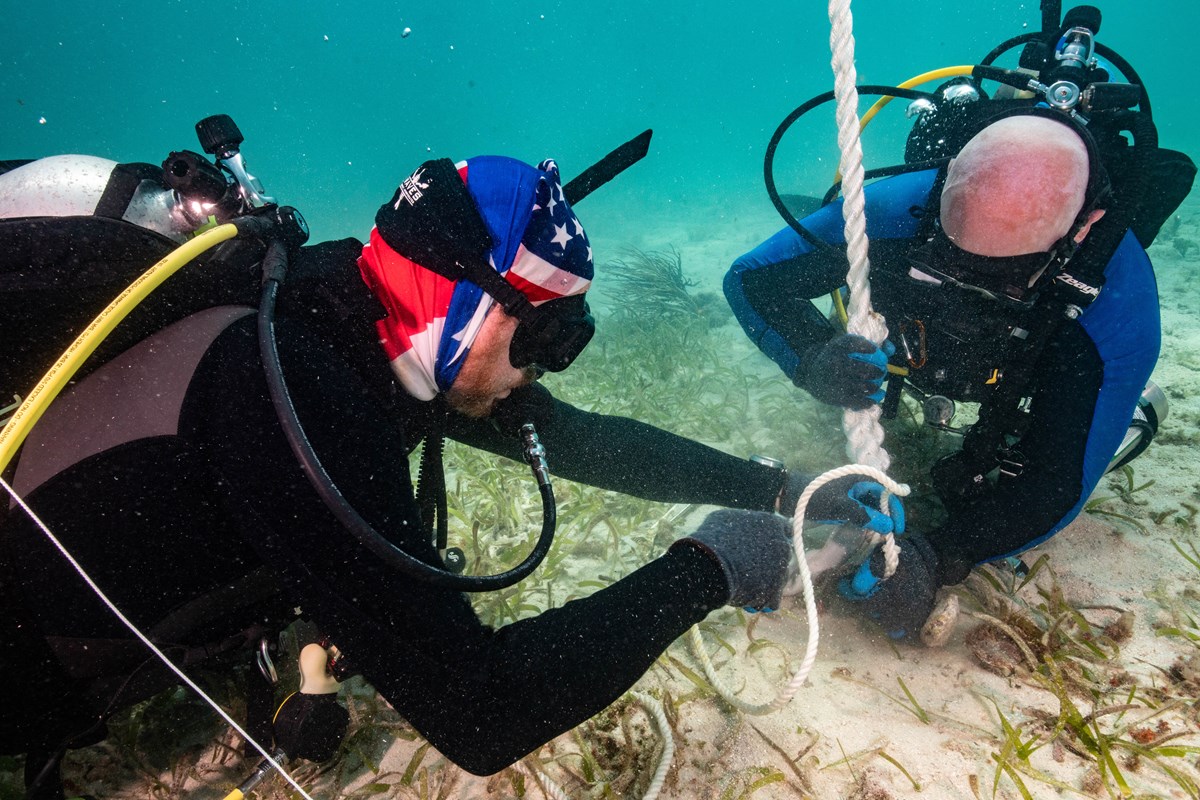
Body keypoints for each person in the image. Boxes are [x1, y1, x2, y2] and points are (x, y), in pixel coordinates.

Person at [0, 151, 903, 794]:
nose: (548, 367)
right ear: (455, 296)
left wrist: (777, 490)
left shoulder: (355, 318)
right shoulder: (292, 392)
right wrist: (708, 570)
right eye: (549, 335)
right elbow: (483, 712)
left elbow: (585, 443)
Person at [724, 111, 1176, 639]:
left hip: (1027, 376)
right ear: (945, 184)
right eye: (943, 261)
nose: (963, 293)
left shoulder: (1118, 305)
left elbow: (1058, 483)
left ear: (1085, 227)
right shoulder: (891, 210)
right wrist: (813, 357)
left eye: (998, 283)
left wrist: (943, 554)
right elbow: (752, 279)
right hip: (908, 344)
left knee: (1065, 438)